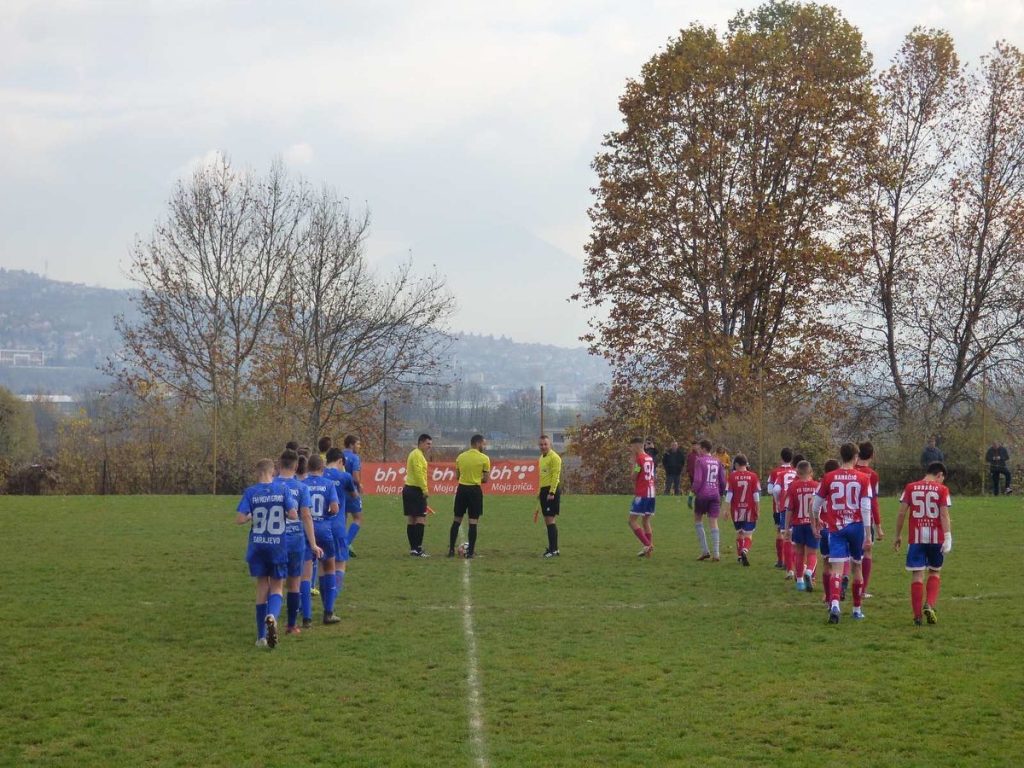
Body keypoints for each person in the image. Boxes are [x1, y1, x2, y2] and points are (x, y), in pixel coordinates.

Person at [235, 459, 298, 648]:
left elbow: (239, 519)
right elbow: (293, 514)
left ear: (258, 472)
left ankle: (261, 637)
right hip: (277, 545)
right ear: (273, 472)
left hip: (257, 545)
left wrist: (251, 516)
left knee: (262, 587)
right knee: (277, 587)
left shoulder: (251, 492)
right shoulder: (283, 490)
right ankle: (272, 616)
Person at [814, 443, 873, 624]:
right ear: (855, 457)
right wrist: (868, 534)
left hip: (836, 528)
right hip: (856, 527)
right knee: (857, 567)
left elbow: (815, 505)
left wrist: (816, 520)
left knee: (836, 569)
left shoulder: (829, 477)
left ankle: (834, 605)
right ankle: (856, 610)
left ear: (841, 456)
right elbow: (866, 508)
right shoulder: (863, 478)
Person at [893, 461, 953, 625]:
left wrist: (897, 535)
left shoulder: (910, 487)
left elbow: (901, 513)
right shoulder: (942, 490)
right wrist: (948, 537)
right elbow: (944, 515)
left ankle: (917, 616)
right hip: (936, 539)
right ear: (939, 475)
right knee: (935, 571)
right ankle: (930, 604)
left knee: (917, 574)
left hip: (916, 539)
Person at [276, 450, 322, 635]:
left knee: (274, 584)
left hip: (274, 540)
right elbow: (306, 516)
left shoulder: (270, 485)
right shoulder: (301, 488)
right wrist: (313, 544)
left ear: (279, 464)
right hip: (296, 540)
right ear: (296, 466)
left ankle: (269, 621)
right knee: (295, 583)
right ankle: (292, 625)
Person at [302, 455, 342, 625]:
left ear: (308, 468)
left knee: (305, 574)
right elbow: (335, 508)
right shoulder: (328, 484)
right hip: (324, 529)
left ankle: (306, 616)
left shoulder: (302, 484)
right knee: (329, 568)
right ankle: (328, 612)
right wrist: (328, 513)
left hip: (306, 531)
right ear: (322, 468)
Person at [324, 448, 359, 606]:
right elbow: (354, 495)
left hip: (319, 527)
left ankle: (305, 604)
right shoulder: (344, 476)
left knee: (320, 567)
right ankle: (331, 600)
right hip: (337, 527)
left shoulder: (318, 475)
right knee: (339, 564)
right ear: (340, 461)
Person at [449, 434, 491, 558]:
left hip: (462, 489)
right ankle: (471, 553)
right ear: (478, 443)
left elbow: (457, 476)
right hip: (474, 491)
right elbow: (486, 479)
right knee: (473, 522)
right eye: (483, 444)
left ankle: (451, 550)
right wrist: (476, 478)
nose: (484, 446)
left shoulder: (460, 457)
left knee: (456, 520)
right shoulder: (484, 458)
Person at [782, 460, 820, 592]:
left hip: (798, 525)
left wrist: (787, 528)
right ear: (811, 472)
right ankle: (809, 572)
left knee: (799, 553)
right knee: (812, 552)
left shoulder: (793, 487)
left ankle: (799, 582)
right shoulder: (816, 486)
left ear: (797, 473)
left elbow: (789, 509)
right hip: (812, 524)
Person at [856, 442, 884, 597]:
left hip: (845, 518)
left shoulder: (849, 470)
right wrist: (878, 526)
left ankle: (839, 585)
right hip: (865, 519)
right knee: (867, 552)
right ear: (872, 455)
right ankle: (862, 589)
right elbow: (873, 501)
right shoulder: (872, 475)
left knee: (845, 554)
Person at [692, 439, 727, 561]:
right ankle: (716, 553)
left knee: (698, 519)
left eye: (699, 448)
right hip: (715, 494)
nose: (698, 450)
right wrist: (720, 494)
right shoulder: (717, 461)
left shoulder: (699, 461)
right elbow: (723, 481)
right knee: (713, 522)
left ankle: (705, 550)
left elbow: (697, 480)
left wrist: (693, 492)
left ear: (703, 449)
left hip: (702, 494)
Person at [767, 448, 798, 575]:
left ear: (781, 457)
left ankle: (781, 560)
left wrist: (778, 501)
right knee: (793, 535)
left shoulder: (775, 472)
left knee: (781, 532)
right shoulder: (797, 471)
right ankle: (792, 563)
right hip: (796, 507)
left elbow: (771, 490)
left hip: (780, 507)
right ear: (792, 458)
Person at [725, 454, 759, 566]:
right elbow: (756, 495)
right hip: (749, 509)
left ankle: (740, 556)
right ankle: (744, 550)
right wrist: (758, 508)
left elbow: (729, 495)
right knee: (748, 534)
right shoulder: (753, 476)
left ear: (736, 464)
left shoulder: (732, 476)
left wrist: (726, 510)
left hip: (736, 510)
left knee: (739, 532)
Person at [403, 434, 432, 557]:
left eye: (430, 444)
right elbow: (419, 473)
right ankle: (418, 549)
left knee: (412, 519)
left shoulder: (417, 454)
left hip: (410, 489)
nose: (430, 446)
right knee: (420, 518)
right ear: (421, 443)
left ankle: (414, 549)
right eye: (428, 443)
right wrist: (424, 489)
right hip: (415, 490)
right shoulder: (417, 455)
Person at [627, 437, 656, 557]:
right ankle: (648, 551)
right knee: (645, 521)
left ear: (637, 446)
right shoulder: (649, 458)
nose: (631, 449)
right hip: (651, 493)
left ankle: (648, 545)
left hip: (642, 494)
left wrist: (632, 463)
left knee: (632, 521)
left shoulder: (639, 459)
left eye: (631, 446)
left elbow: (633, 477)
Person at [538, 434, 563, 557]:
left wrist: (551, 492)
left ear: (550, 445)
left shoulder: (555, 458)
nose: (543, 446)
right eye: (541, 444)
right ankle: (554, 549)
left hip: (551, 491)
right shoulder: (541, 458)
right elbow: (543, 476)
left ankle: (553, 550)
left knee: (550, 520)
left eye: (545, 444)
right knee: (548, 521)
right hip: (544, 491)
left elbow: (555, 476)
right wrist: (540, 492)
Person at [343, 435, 364, 556]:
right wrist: (359, 485)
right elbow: (355, 476)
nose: (359, 446)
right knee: (358, 518)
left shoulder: (339, 455)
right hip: (351, 491)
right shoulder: (354, 457)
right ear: (351, 445)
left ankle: (340, 542)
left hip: (339, 491)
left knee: (343, 518)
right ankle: (345, 543)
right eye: (358, 444)